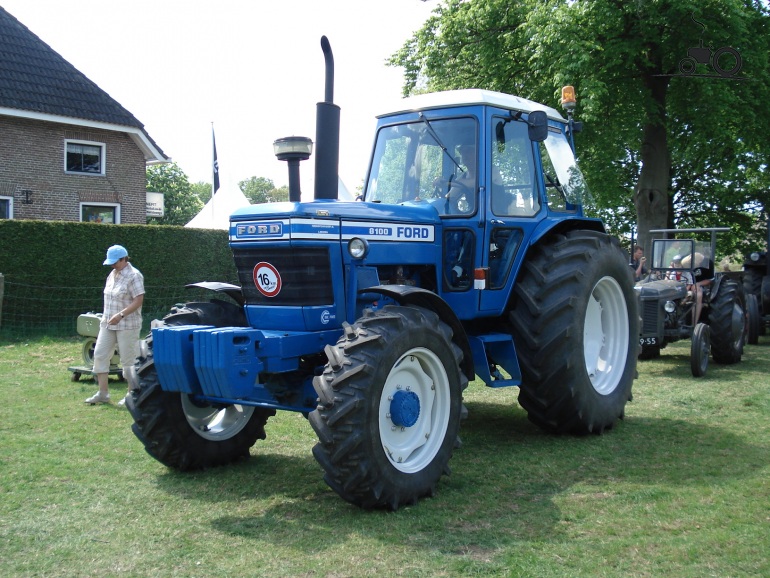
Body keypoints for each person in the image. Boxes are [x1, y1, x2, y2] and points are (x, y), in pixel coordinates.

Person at [85, 245, 145, 406]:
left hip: (127, 324)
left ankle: (131, 395)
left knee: (128, 360)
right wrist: (109, 318)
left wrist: (121, 315)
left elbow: (138, 300)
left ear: (124, 259)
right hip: (108, 323)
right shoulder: (112, 273)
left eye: (115, 262)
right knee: (99, 354)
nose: (112, 265)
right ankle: (103, 393)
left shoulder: (134, 276)